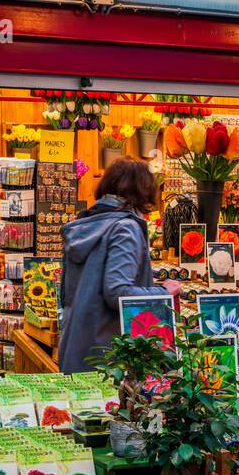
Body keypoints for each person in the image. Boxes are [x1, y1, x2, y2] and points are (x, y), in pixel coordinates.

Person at [60, 157, 179, 373]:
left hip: (76, 347)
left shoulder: (85, 225)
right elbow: (117, 291)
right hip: (110, 356)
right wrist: (163, 292)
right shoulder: (125, 228)